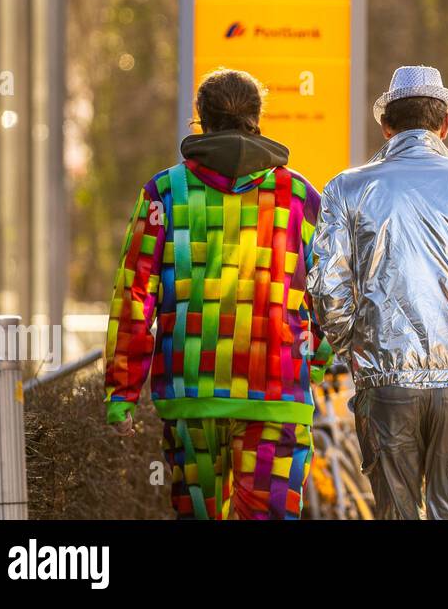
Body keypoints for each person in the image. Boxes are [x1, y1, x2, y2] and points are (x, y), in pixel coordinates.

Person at [104, 68, 332, 520]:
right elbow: (329, 292)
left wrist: (121, 393)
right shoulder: (299, 196)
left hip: (190, 391)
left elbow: (134, 295)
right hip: (278, 390)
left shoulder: (164, 193)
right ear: (257, 118)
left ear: (201, 122)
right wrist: (318, 356)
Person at [309, 65, 448, 519]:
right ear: (444, 124)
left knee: (395, 512)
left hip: (385, 383)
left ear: (386, 125)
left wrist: (356, 348)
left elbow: (328, 287)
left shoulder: (346, 188)